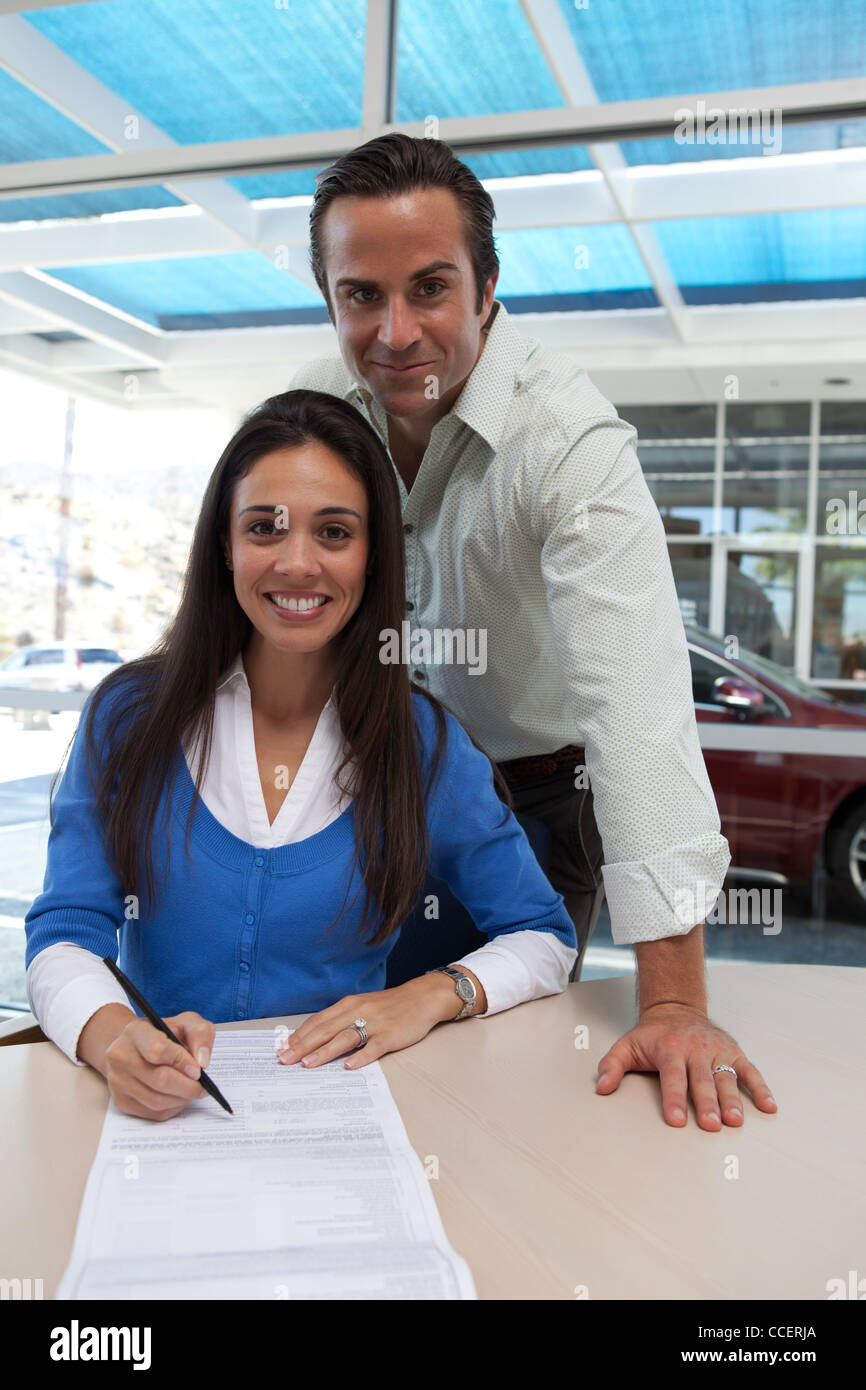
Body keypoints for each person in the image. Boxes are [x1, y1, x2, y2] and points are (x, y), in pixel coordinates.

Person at [288, 132, 778, 1131]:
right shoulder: (314, 414)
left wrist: (674, 1002)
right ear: (330, 298)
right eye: (360, 296)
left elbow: (633, 703)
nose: (393, 333)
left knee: (496, 1091)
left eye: (428, 287)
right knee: (327, 1046)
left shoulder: (566, 442)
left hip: (537, 799)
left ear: (486, 286)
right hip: (368, 781)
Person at [24, 390, 577, 1123]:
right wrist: (114, 1038)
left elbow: (544, 935)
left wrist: (428, 996)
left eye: (335, 533)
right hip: (163, 1124)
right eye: (264, 528)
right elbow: (65, 931)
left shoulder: (422, 743)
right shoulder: (129, 718)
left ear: (373, 554)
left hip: (341, 1128)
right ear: (225, 544)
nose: (297, 563)